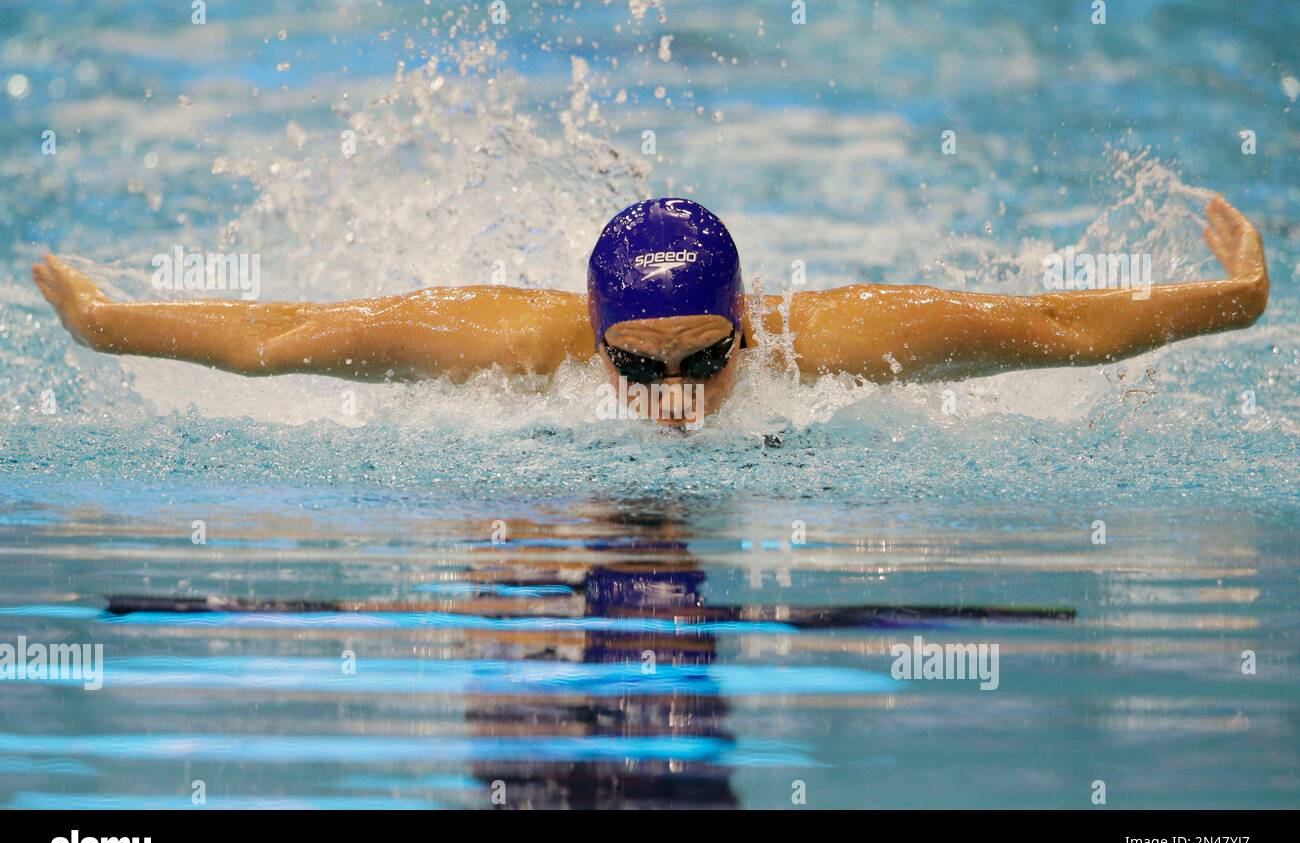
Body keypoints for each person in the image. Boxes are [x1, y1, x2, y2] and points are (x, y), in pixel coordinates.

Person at [32, 195, 1268, 429]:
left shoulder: (828, 344)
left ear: (750, 321)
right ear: (590, 336)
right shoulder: (503, 351)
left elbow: (1051, 330)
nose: (674, 398)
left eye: (707, 357)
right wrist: (102, 321)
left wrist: (1235, 303)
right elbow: (270, 340)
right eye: (634, 369)